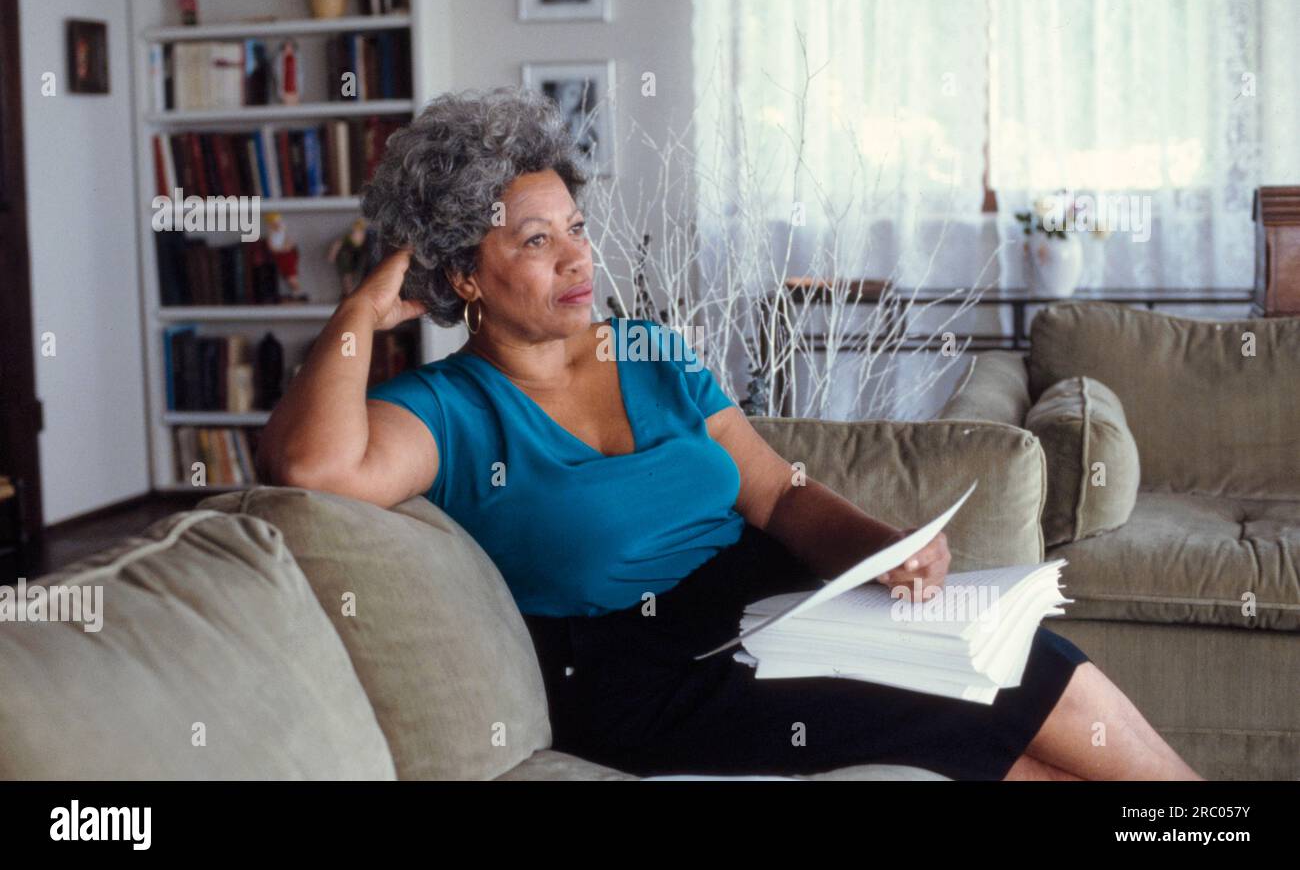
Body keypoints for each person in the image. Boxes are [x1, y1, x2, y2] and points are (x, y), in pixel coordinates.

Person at [257, 85, 1203, 781]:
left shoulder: (652, 351)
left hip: (771, 606)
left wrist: (882, 552)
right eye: (535, 240)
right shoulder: (449, 411)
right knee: (999, 738)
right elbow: (311, 463)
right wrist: (365, 305)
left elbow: (778, 493)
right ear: (463, 274)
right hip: (643, 674)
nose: (577, 255)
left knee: (1019, 662)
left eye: (577, 227)